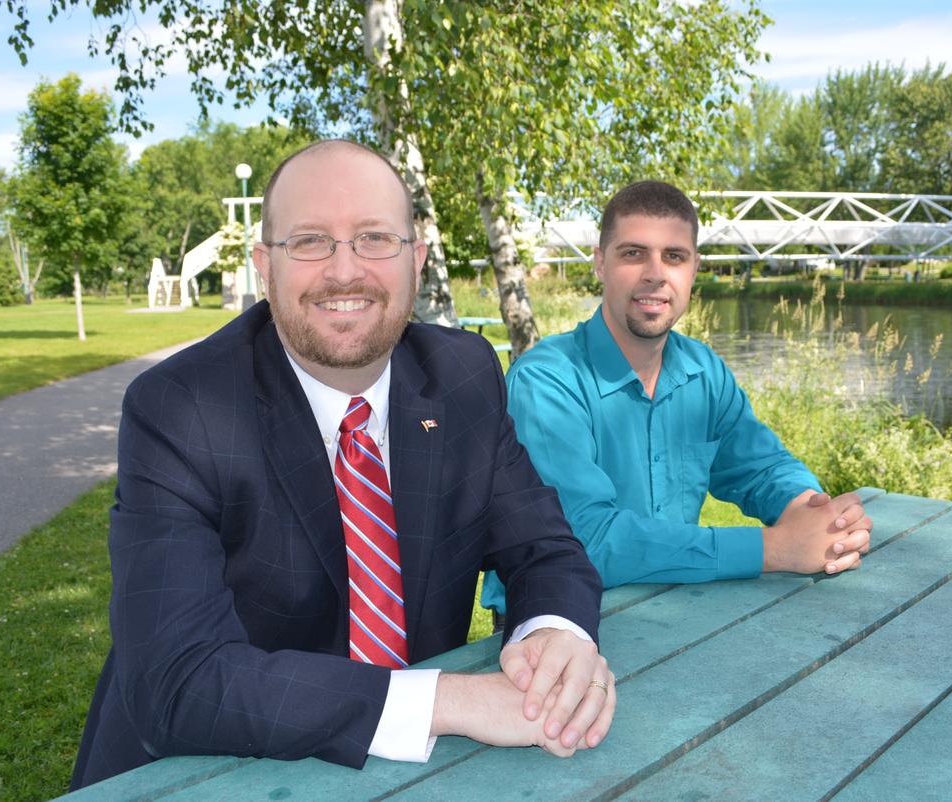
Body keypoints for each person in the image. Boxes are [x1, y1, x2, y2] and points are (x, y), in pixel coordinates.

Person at [71, 140, 614, 790]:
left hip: (396, 776)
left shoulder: (464, 377)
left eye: (375, 238)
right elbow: (179, 681)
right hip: (197, 775)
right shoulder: (183, 408)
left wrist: (555, 636)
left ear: (415, 261)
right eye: (309, 242)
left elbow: (545, 548)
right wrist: (453, 701)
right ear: (263, 266)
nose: (344, 271)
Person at [482, 180, 871, 616]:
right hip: (549, 630)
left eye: (674, 256)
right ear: (599, 263)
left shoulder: (702, 371)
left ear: (694, 268)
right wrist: (774, 548)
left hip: (670, 611)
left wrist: (818, 516)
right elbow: (585, 540)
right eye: (633, 253)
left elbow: (761, 467)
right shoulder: (547, 381)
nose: (655, 273)